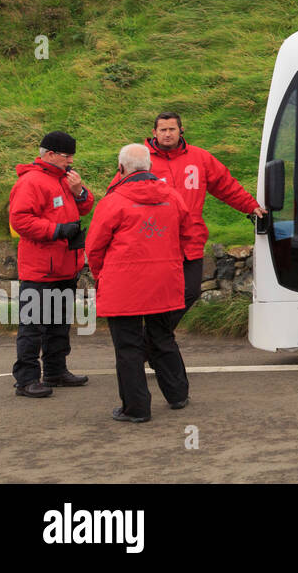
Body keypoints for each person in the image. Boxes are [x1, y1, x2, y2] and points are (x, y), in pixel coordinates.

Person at [109, 112, 265, 327]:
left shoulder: (200, 158)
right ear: (154, 133)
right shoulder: (142, 160)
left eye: (172, 129)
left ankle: (155, 338)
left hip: (190, 241)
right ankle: (158, 341)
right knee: (158, 298)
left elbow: (225, 186)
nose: (167, 134)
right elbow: (116, 195)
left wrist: (250, 205)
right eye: (162, 130)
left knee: (190, 292)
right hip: (155, 244)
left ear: (181, 131)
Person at [86, 144, 193, 423]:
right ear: (150, 168)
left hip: (124, 284)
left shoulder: (113, 201)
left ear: (120, 169)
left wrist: (101, 276)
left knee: (128, 347)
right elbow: (187, 232)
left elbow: (95, 247)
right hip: (163, 279)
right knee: (162, 337)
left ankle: (136, 408)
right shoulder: (173, 196)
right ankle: (178, 393)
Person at [8, 131, 94, 398]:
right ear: (50, 154)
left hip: (64, 265)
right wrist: (56, 230)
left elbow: (86, 207)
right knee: (32, 325)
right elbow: (20, 220)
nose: (70, 161)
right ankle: (26, 379)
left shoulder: (64, 179)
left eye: (71, 156)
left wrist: (79, 191)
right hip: (40, 268)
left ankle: (56, 371)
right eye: (66, 156)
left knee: (59, 323)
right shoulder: (31, 182)